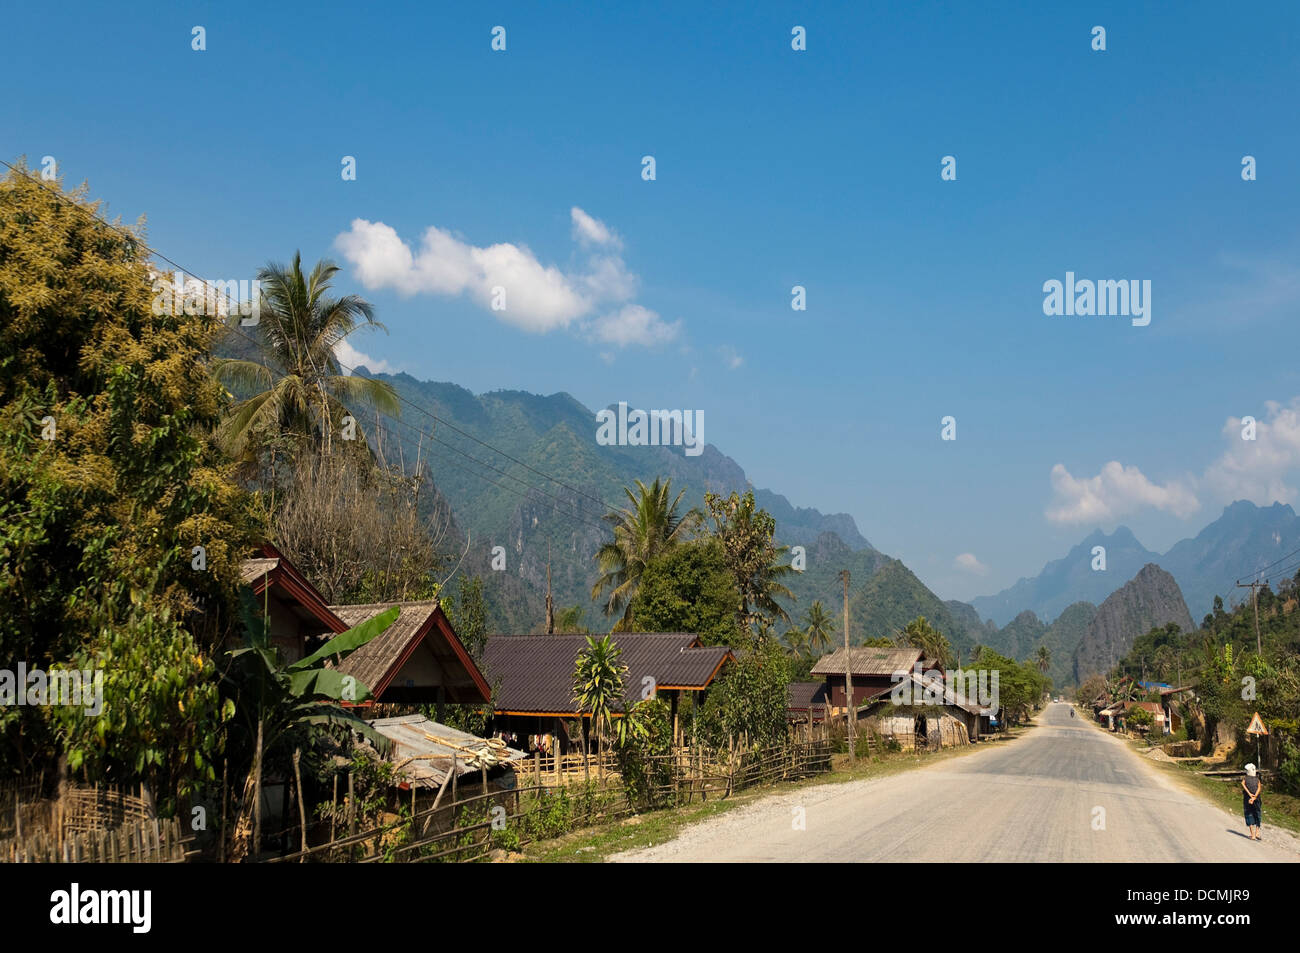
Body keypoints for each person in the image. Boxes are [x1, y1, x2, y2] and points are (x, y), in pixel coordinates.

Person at [1241, 764, 1263, 840]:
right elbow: (1259, 788)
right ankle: (1257, 833)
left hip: (1247, 798)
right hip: (1257, 799)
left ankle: (1252, 835)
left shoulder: (1245, 778)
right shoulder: (1257, 779)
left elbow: (1243, 784)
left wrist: (1250, 795)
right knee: (1257, 814)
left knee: (1248, 814)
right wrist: (1254, 797)